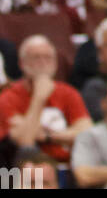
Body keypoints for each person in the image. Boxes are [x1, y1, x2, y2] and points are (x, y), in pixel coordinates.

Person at [0, 35, 91, 164]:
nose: (42, 62)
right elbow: (25, 141)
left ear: (55, 63)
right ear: (21, 63)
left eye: (48, 57)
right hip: (30, 170)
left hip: (69, 166)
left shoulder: (68, 92)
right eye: (36, 57)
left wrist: (48, 136)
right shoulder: (8, 97)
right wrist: (39, 97)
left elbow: (87, 134)